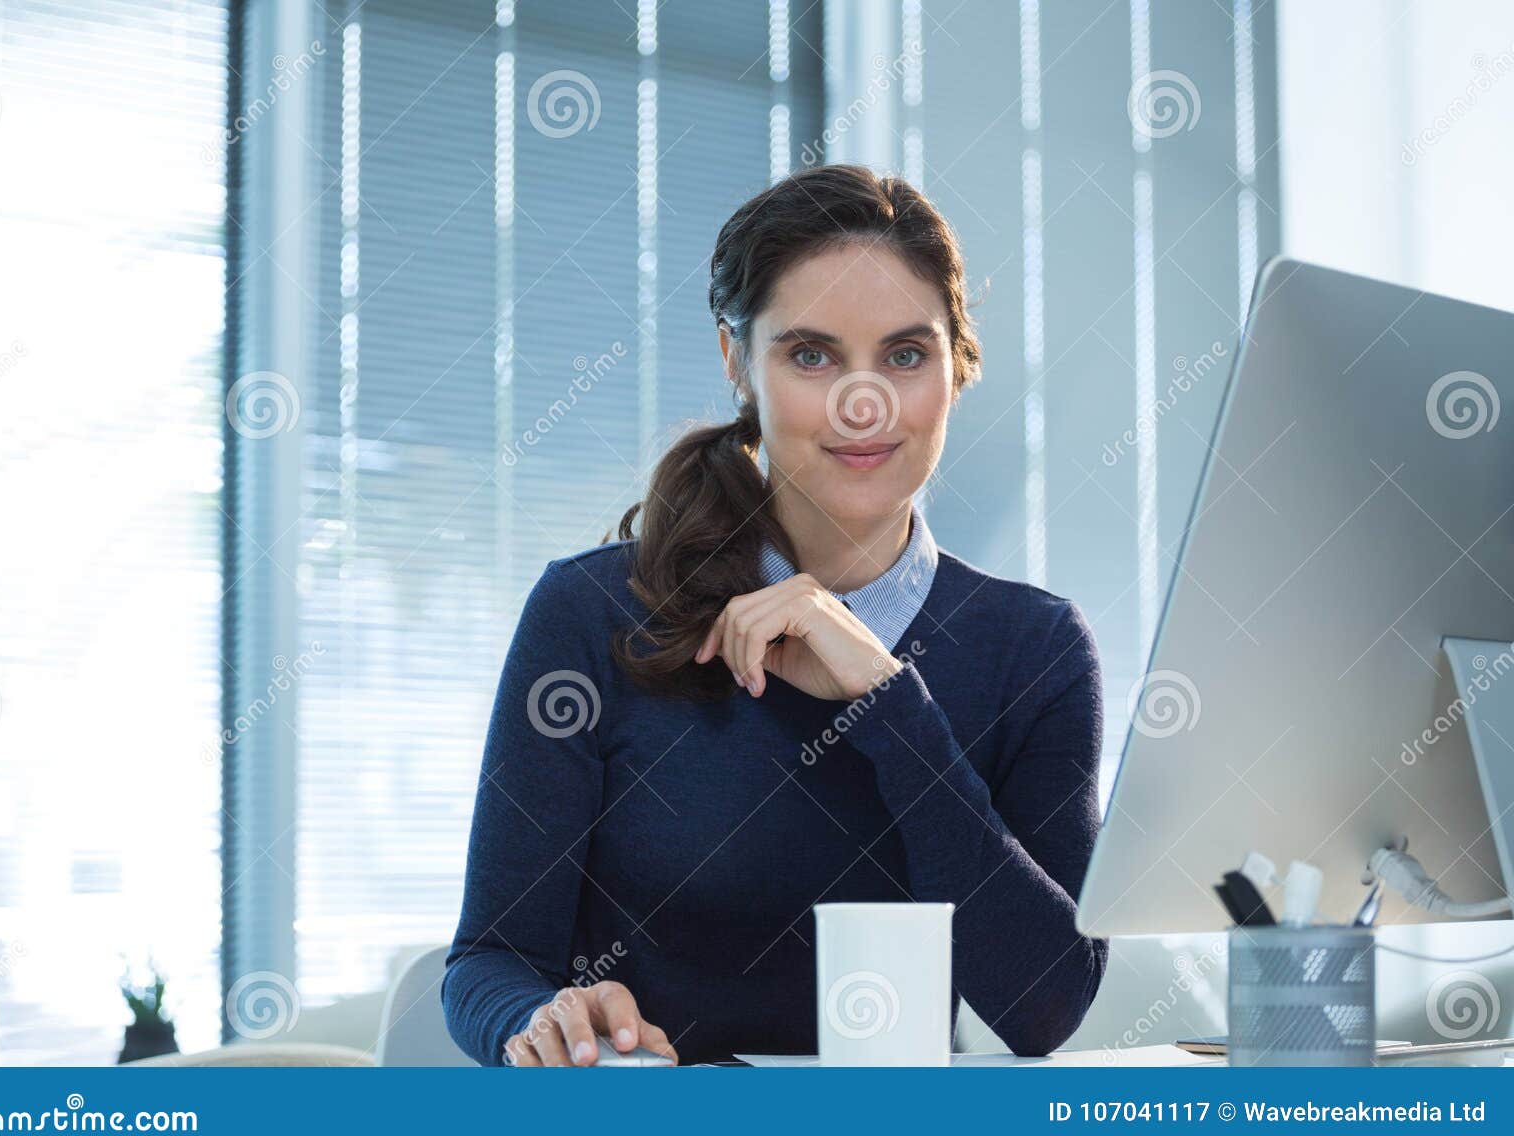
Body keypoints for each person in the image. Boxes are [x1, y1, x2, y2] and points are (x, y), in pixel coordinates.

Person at [443, 163, 1108, 1067]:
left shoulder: (1034, 650)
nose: (863, 403)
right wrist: (542, 1020)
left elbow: (1046, 1006)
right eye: (811, 355)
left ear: (957, 367)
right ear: (737, 362)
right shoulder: (592, 614)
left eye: (905, 356)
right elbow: (491, 959)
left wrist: (890, 703)